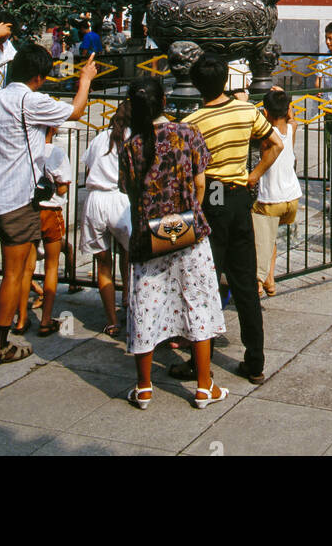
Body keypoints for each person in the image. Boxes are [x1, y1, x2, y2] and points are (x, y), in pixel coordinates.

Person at [0, 44, 96, 369]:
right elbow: (76, 112)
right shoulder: (31, 100)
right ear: (39, 76)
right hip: (16, 201)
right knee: (13, 274)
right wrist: (85, 79)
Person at [117, 78, 227, 409]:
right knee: (198, 302)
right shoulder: (187, 134)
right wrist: (187, 211)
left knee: (147, 306)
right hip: (187, 233)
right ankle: (204, 385)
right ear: (164, 100)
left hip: (149, 237)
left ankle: (144, 386)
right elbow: (199, 181)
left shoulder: (132, 146)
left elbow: (130, 193)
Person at [179, 53, 282, 386]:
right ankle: (255, 362)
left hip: (212, 195)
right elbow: (275, 144)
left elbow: (187, 172)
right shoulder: (247, 110)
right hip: (238, 196)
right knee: (244, 284)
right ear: (225, 81)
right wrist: (253, 176)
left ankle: (199, 361)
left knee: (204, 282)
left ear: (196, 85)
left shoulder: (193, 122)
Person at [81, 99, 133, 338]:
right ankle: (130, 304)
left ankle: (112, 320)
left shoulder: (99, 138)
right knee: (131, 257)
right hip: (120, 200)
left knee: (103, 264)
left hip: (95, 201)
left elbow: (89, 169)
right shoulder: (134, 138)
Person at [22, 125, 72, 336]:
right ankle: (45, 319)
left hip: (29, 210)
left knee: (26, 267)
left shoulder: (26, 149)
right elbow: (62, 187)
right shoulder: (56, 152)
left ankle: (20, 320)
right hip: (51, 211)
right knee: (51, 266)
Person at [252, 89, 301, 298]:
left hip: (270, 199)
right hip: (291, 198)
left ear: (265, 112)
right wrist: (284, 96)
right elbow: (292, 118)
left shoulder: (264, 136)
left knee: (257, 240)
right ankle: (271, 281)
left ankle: (258, 283)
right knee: (270, 238)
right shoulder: (292, 128)